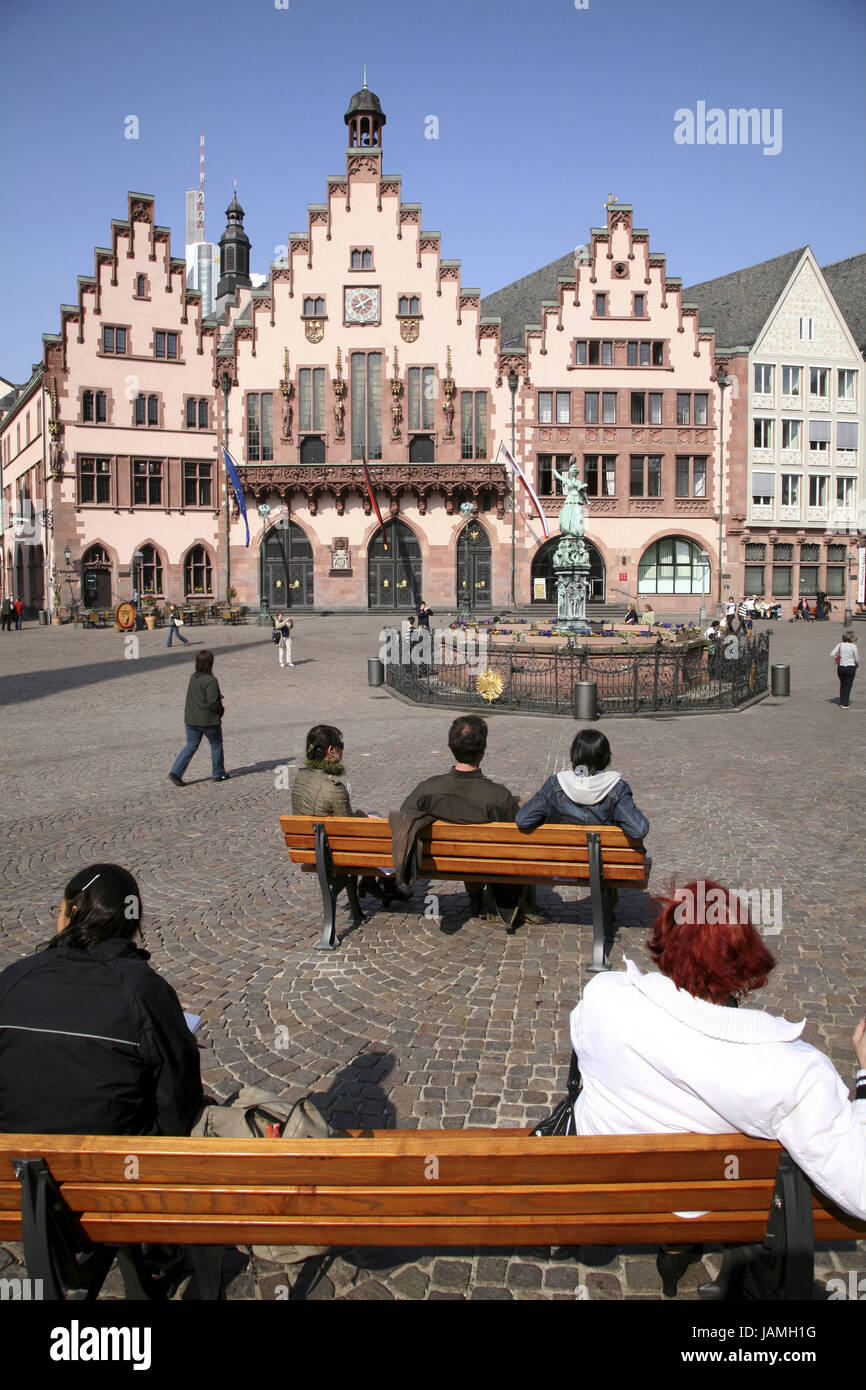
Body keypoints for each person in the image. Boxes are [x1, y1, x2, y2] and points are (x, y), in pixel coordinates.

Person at [568, 880, 866, 1235]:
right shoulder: (794, 1073)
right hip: (697, 1208)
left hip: (601, 1177)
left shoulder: (603, 997)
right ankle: (680, 1245)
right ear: (742, 959)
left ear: (665, 937)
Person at [0, 864, 204, 1136]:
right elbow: (178, 1109)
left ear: (72, 913)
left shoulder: (13, 981)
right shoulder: (144, 992)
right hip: (123, 1169)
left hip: (14, 1168)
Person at [395, 715, 531, 925]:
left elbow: (405, 815)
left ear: (450, 748)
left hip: (442, 861)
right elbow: (517, 842)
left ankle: (475, 893)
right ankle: (517, 903)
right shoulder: (499, 797)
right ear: (483, 750)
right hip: (486, 861)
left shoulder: (426, 791)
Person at [291, 725, 409, 904]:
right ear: (331, 750)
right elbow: (349, 830)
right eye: (341, 745)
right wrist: (363, 818)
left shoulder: (300, 778)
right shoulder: (334, 788)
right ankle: (383, 883)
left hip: (308, 848)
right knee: (381, 828)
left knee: (371, 816)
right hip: (334, 854)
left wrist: (361, 816)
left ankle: (372, 884)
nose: (342, 750)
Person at [516, 729, 649, 841]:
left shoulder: (556, 785)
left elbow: (523, 820)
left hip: (562, 867)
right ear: (606, 758)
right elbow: (638, 829)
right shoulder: (616, 788)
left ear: (574, 755)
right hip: (604, 869)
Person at [168, 649, 229, 785]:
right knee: (216, 744)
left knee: (190, 745)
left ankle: (175, 772)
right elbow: (213, 704)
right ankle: (218, 772)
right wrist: (221, 709)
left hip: (191, 720)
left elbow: (199, 696)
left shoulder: (193, 677)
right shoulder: (211, 680)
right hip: (208, 721)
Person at [831, 630, 859, 708]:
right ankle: (844, 703)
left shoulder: (840, 645)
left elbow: (832, 653)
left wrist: (837, 657)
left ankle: (842, 700)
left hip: (841, 667)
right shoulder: (853, 646)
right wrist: (857, 665)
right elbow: (856, 658)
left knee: (843, 684)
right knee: (848, 685)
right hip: (850, 666)